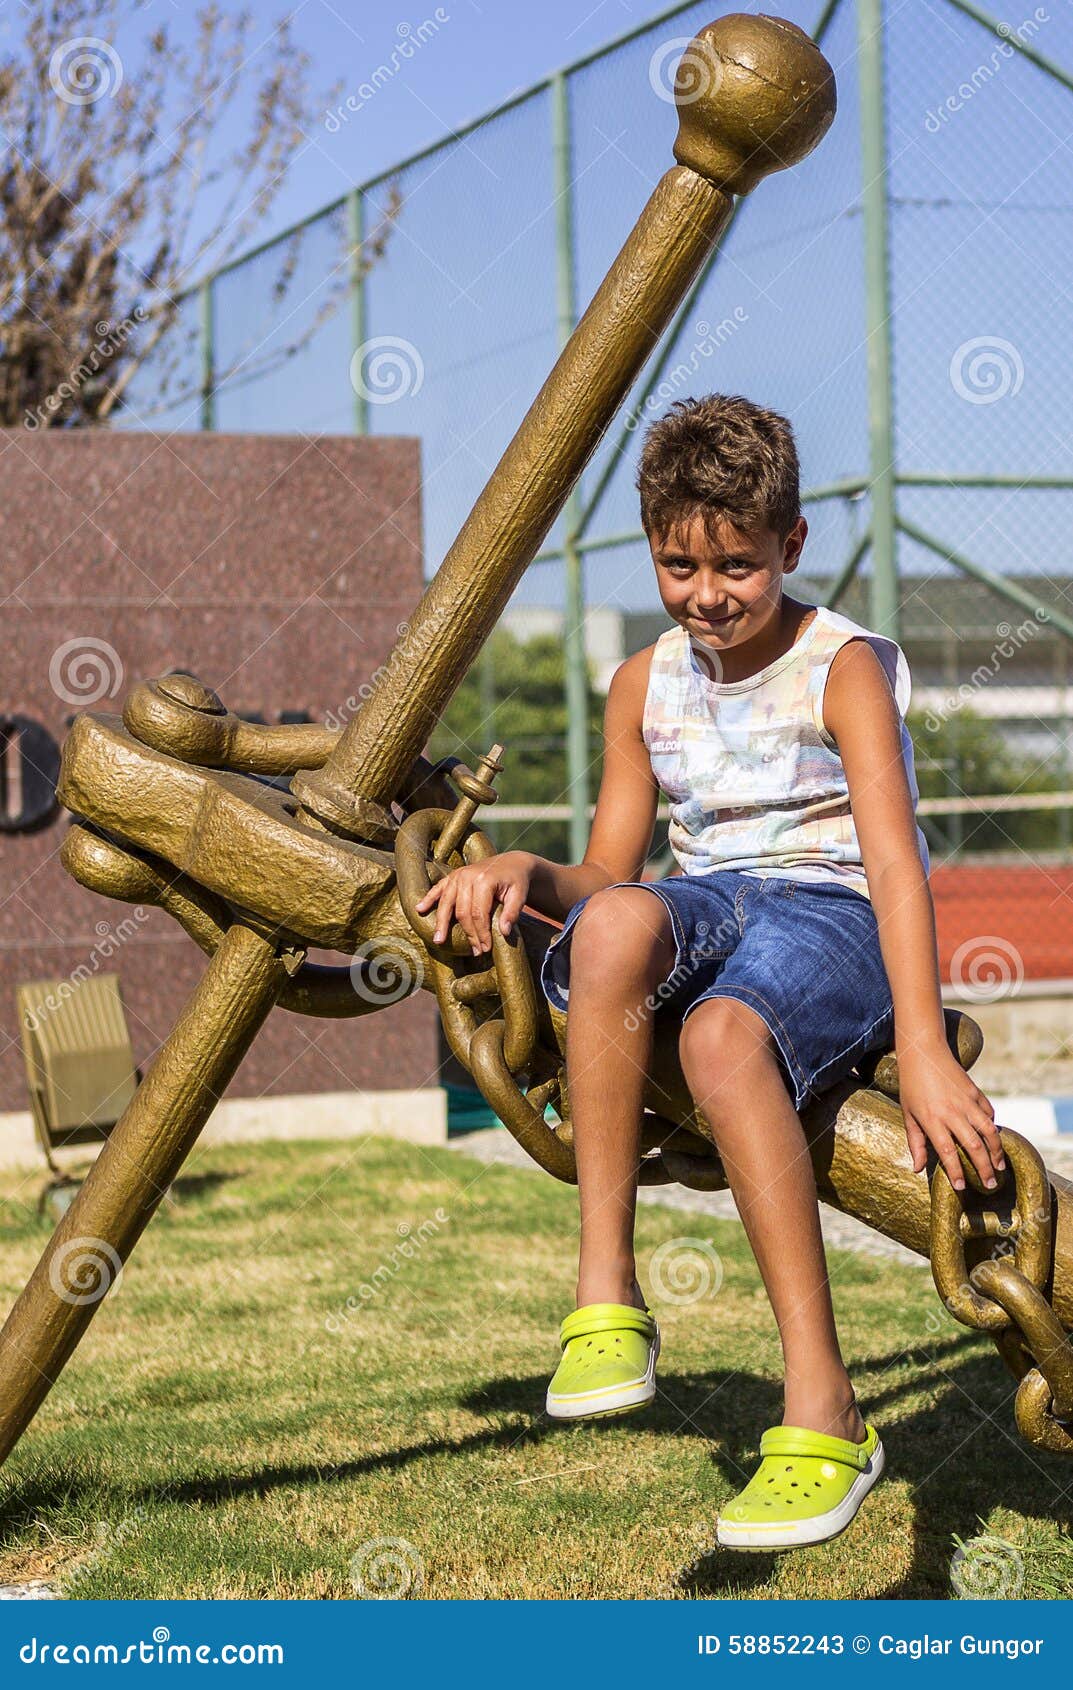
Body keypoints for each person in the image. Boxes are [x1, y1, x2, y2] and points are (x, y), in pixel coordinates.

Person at [415, 392, 1004, 1550]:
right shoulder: (644, 683)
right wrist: (530, 867)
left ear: (788, 546)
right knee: (613, 930)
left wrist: (924, 1049)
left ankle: (825, 1410)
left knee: (719, 1038)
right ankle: (604, 1296)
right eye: (678, 563)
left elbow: (890, 864)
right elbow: (610, 872)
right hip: (713, 901)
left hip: (830, 909)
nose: (706, 592)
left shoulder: (840, 670)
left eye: (735, 563)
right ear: (651, 550)